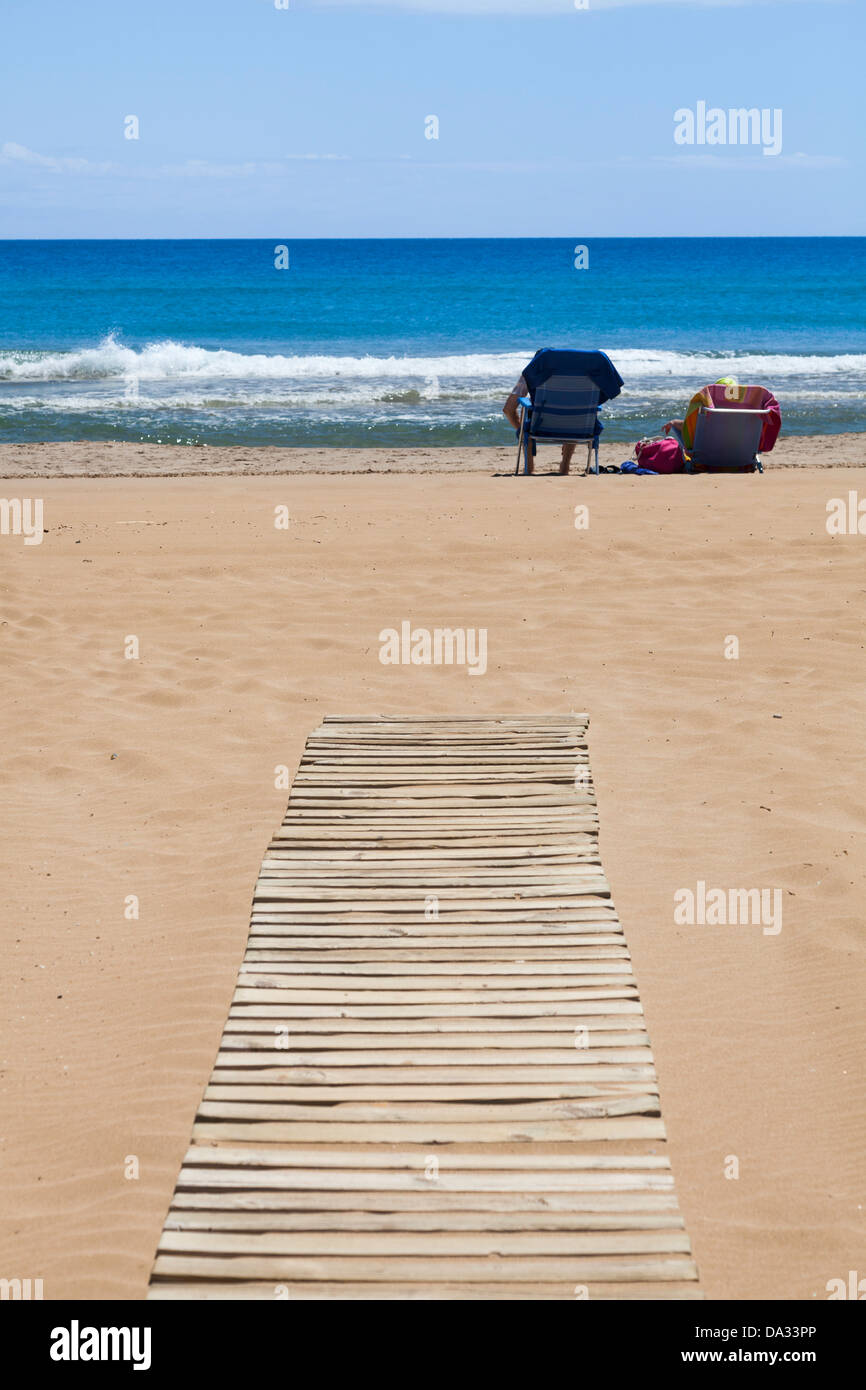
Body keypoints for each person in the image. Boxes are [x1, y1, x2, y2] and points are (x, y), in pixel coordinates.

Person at [503, 371, 576, 475]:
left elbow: (508, 410)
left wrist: (524, 433)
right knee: (574, 414)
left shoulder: (533, 370)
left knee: (526, 410)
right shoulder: (582, 372)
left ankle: (529, 467)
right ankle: (565, 465)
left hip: (539, 427)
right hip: (576, 429)